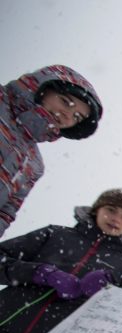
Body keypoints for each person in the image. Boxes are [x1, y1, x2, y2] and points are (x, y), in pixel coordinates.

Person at [0, 188, 122, 333]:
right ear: (97, 209)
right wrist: (38, 272)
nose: (116, 219)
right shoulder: (54, 234)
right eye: (111, 210)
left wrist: (106, 296)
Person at [1, 65, 103, 237]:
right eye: (65, 101)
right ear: (43, 87)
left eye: (77, 117)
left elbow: (6, 213)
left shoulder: (33, 164)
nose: (67, 115)